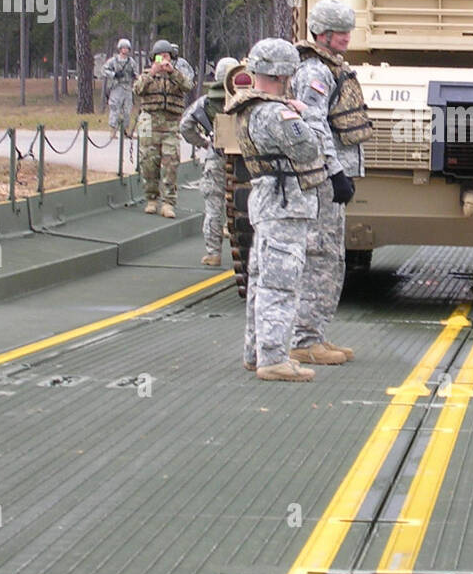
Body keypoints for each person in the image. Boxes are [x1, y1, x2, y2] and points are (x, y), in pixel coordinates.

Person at [227, 38, 336, 382]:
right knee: (281, 284)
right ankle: (274, 358)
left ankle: (256, 351)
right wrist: (312, 118)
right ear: (285, 73)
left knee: (261, 281)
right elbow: (309, 149)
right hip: (286, 205)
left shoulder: (248, 107)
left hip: (267, 201)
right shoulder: (278, 113)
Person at [290, 0, 367, 363]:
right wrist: (334, 171)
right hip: (323, 176)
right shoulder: (315, 72)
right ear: (322, 33)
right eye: (339, 32)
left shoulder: (331, 68)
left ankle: (315, 333)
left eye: (348, 31)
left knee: (332, 256)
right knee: (320, 255)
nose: (346, 38)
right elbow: (314, 122)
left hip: (330, 174)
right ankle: (305, 340)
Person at [180, 57, 237, 266]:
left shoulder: (205, 103)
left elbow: (185, 127)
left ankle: (213, 253)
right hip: (247, 163)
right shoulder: (248, 98)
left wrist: (203, 143)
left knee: (213, 207)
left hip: (217, 159)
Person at [134, 39, 192, 218]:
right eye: (160, 57)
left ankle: (168, 203)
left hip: (170, 125)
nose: (163, 60)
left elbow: (188, 86)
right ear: (153, 58)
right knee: (148, 163)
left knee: (170, 165)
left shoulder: (178, 75)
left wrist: (172, 72)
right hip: (149, 123)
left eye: (166, 56)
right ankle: (151, 198)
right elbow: (137, 90)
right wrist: (152, 73)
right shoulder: (146, 75)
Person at [102, 39, 139, 142]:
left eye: (126, 48)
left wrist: (136, 77)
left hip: (127, 88)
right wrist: (114, 74)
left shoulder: (131, 62)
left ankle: (126, 131)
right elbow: (104, 70)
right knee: (115, 109)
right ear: (119, 49)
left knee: (127, 110)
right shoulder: (113, 61)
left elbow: (135, 73)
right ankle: (112, 132)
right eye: (123, 48)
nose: (125, 50)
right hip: (116, 87)